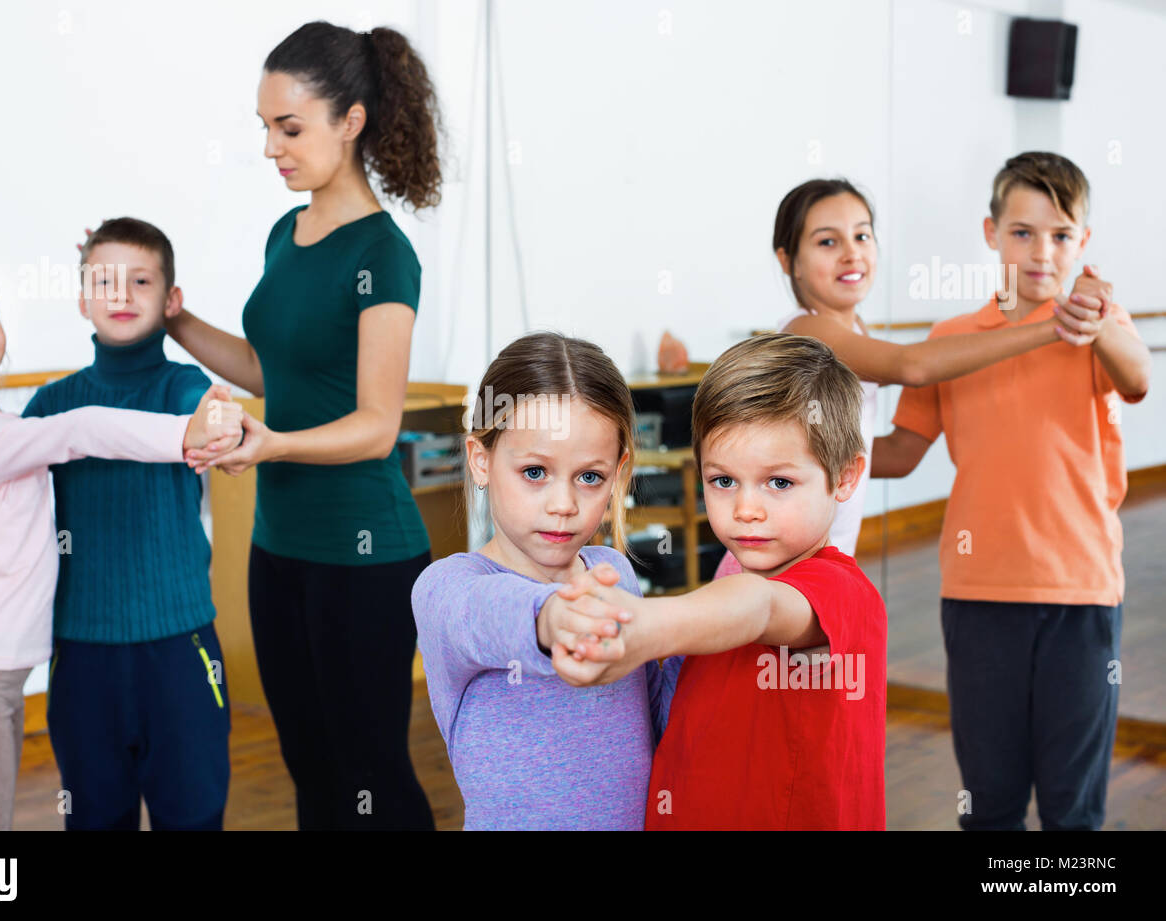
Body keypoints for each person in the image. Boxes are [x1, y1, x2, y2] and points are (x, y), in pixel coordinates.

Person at [172, 21, 444, 829]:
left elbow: (373, 422)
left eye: (288, 128)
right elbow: (273, 371)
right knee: (311, 766)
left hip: (364, 555)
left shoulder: (385, 254)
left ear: (351, 121)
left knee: (373, 774)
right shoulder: (284, 237)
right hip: (278, 546)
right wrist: (176, 320)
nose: (271, 148)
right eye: (265, 127)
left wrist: (272, 443)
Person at [0, 227, 240, 829]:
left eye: (140, 280)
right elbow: (9, 467)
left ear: (170, 300)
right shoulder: (54, 405)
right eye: (103, 280)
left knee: (193, 810)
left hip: (179, 646)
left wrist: (218, 419)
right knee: (93, 814)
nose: (122, 293)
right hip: (81, 652)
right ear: (81, 298)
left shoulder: (180, 386)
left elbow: (210, 410)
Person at [872, 151, 1151, 830]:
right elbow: (903, 451)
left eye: (1059, 234)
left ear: (1081, 242)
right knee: (989, 807)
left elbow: (1138, 378)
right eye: (1022, 231)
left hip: (1080, 595)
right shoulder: (951, 340)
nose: (1040, 251)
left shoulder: (1099, 327)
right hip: (977, 596)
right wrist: (800, 459)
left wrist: (1101, 321)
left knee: (1073, 811)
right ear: (990, 232)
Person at [555, 334, 887, 830]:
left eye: (779, 482)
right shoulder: (730, 577)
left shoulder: (843, 591)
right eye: (723, 481)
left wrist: (644, 626)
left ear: (845, 475)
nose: (746, 510)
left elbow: (760, 607)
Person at [714, 177, 1091, 573]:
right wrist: (1056, 327)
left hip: (822, 564)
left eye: (861, 236)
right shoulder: (806, 332)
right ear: (788, 262)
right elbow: (912, 366)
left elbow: (895, 458)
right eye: (828, 242)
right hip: (769, 569)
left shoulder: (856, 331)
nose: (851, 254)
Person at [411, 332, 676, 830]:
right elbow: (485, 614)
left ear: (618, 474)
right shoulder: (447, 586)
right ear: (481, 460)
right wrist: (551, 616)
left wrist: (709, 631)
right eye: (535, 471)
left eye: (589, 477)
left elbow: (653, 718)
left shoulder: (613, 573)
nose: (564, 504)